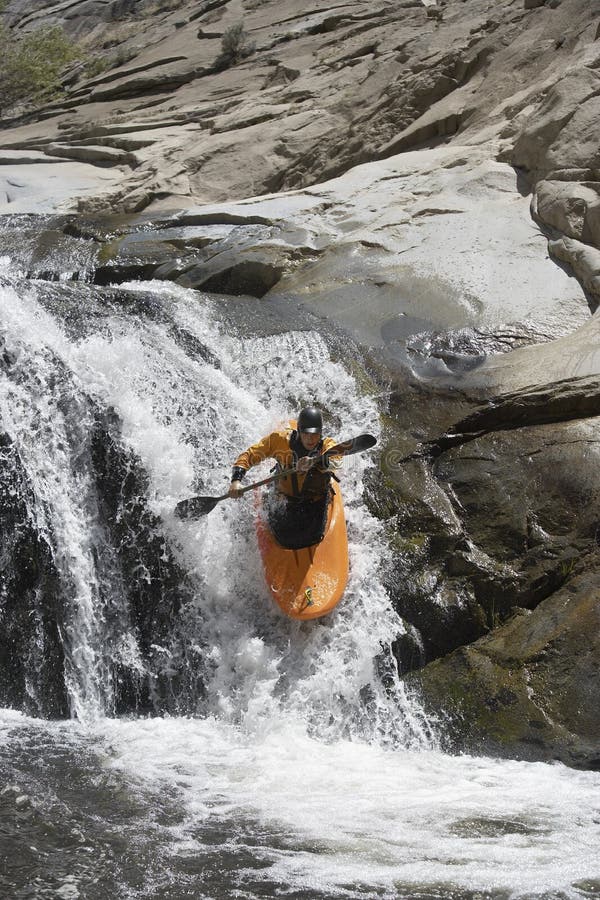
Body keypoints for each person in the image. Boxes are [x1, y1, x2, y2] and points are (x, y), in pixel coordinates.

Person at [228, 406, 341, 502]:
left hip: (316, 500)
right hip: (283, 498)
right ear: (299, 430)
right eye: (306, 433)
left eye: (315, 434)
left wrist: (315, 462)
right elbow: (248, 456)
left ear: (320, 432)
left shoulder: (328, 445)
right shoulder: (279, 441)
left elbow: (338, 462)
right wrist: (236, 481)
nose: (310, 438)